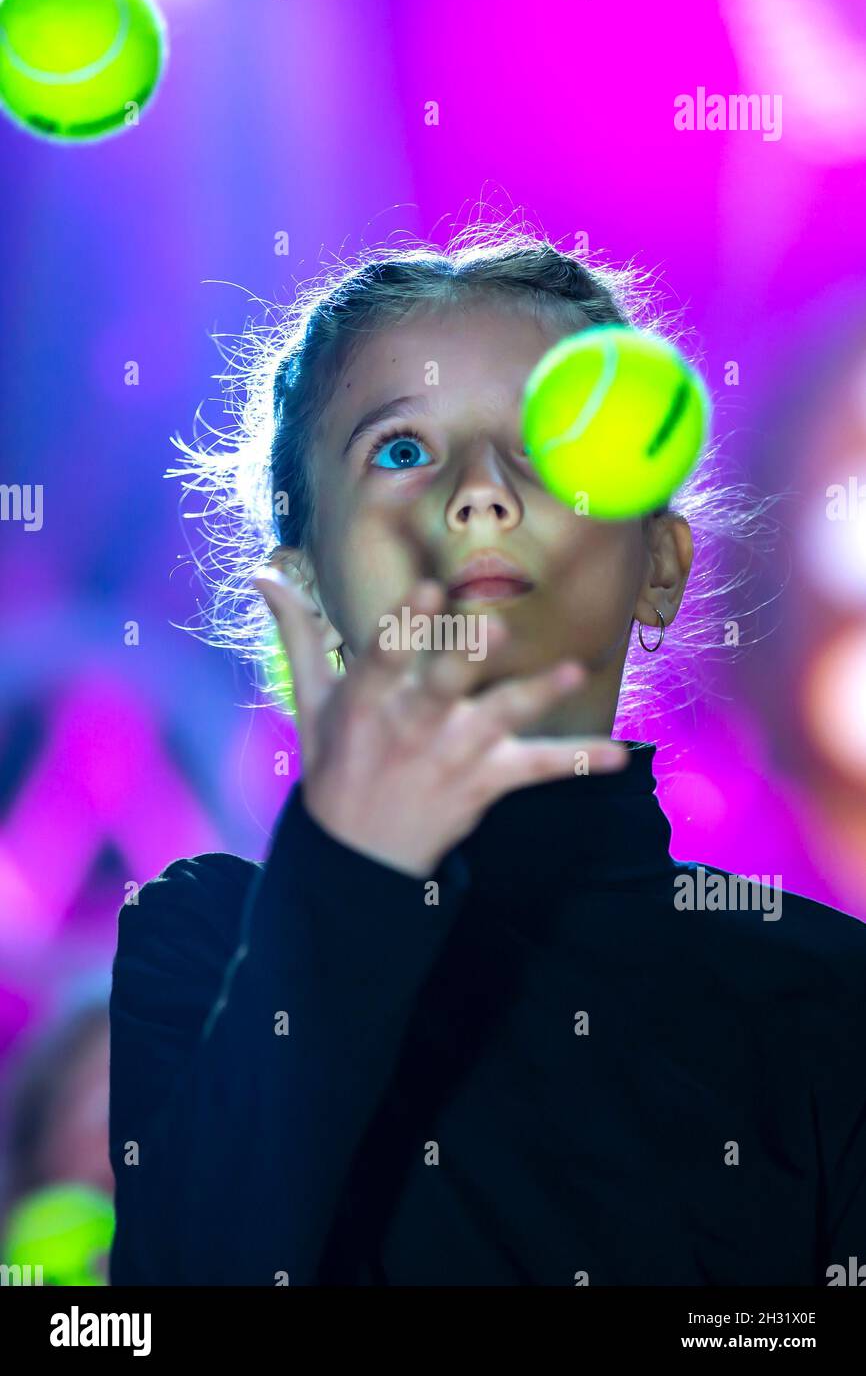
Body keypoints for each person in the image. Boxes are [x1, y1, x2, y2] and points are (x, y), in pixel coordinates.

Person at [108, 227, 866, 1286]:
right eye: (402, 449)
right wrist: (353, 870)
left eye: (548, 443)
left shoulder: (826, 998)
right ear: (306, 579)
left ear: (659, 567)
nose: (478, 494)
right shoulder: (202, 941)